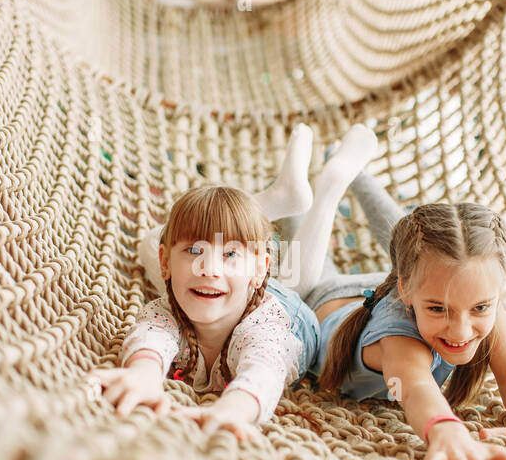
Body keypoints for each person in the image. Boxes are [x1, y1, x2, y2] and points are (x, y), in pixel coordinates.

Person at [88, 124, 379, 440]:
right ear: (165, 265)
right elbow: (150, 340)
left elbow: (263, 370)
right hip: (231, 287)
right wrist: (142, 376)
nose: (208, 267)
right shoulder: (165, 310)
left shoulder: (265, 332)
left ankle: (330, 188)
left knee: (300, 285)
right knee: (151, 243)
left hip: (285, 313)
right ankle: (278, 201)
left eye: (228, 253)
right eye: (195, 250)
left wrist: (233, 410)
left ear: (260, 271)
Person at [309, 171, 506, 460]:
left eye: (481, 307)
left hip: (422, 286)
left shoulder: (472, 297)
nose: (461, 331)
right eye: (440, 311)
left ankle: (357, 174)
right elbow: (414, 388)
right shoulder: (398, 340)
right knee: (307, 252)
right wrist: (446, 431)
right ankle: (324, 187)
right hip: (328, 301)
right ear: (404, 290)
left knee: (420, 248)